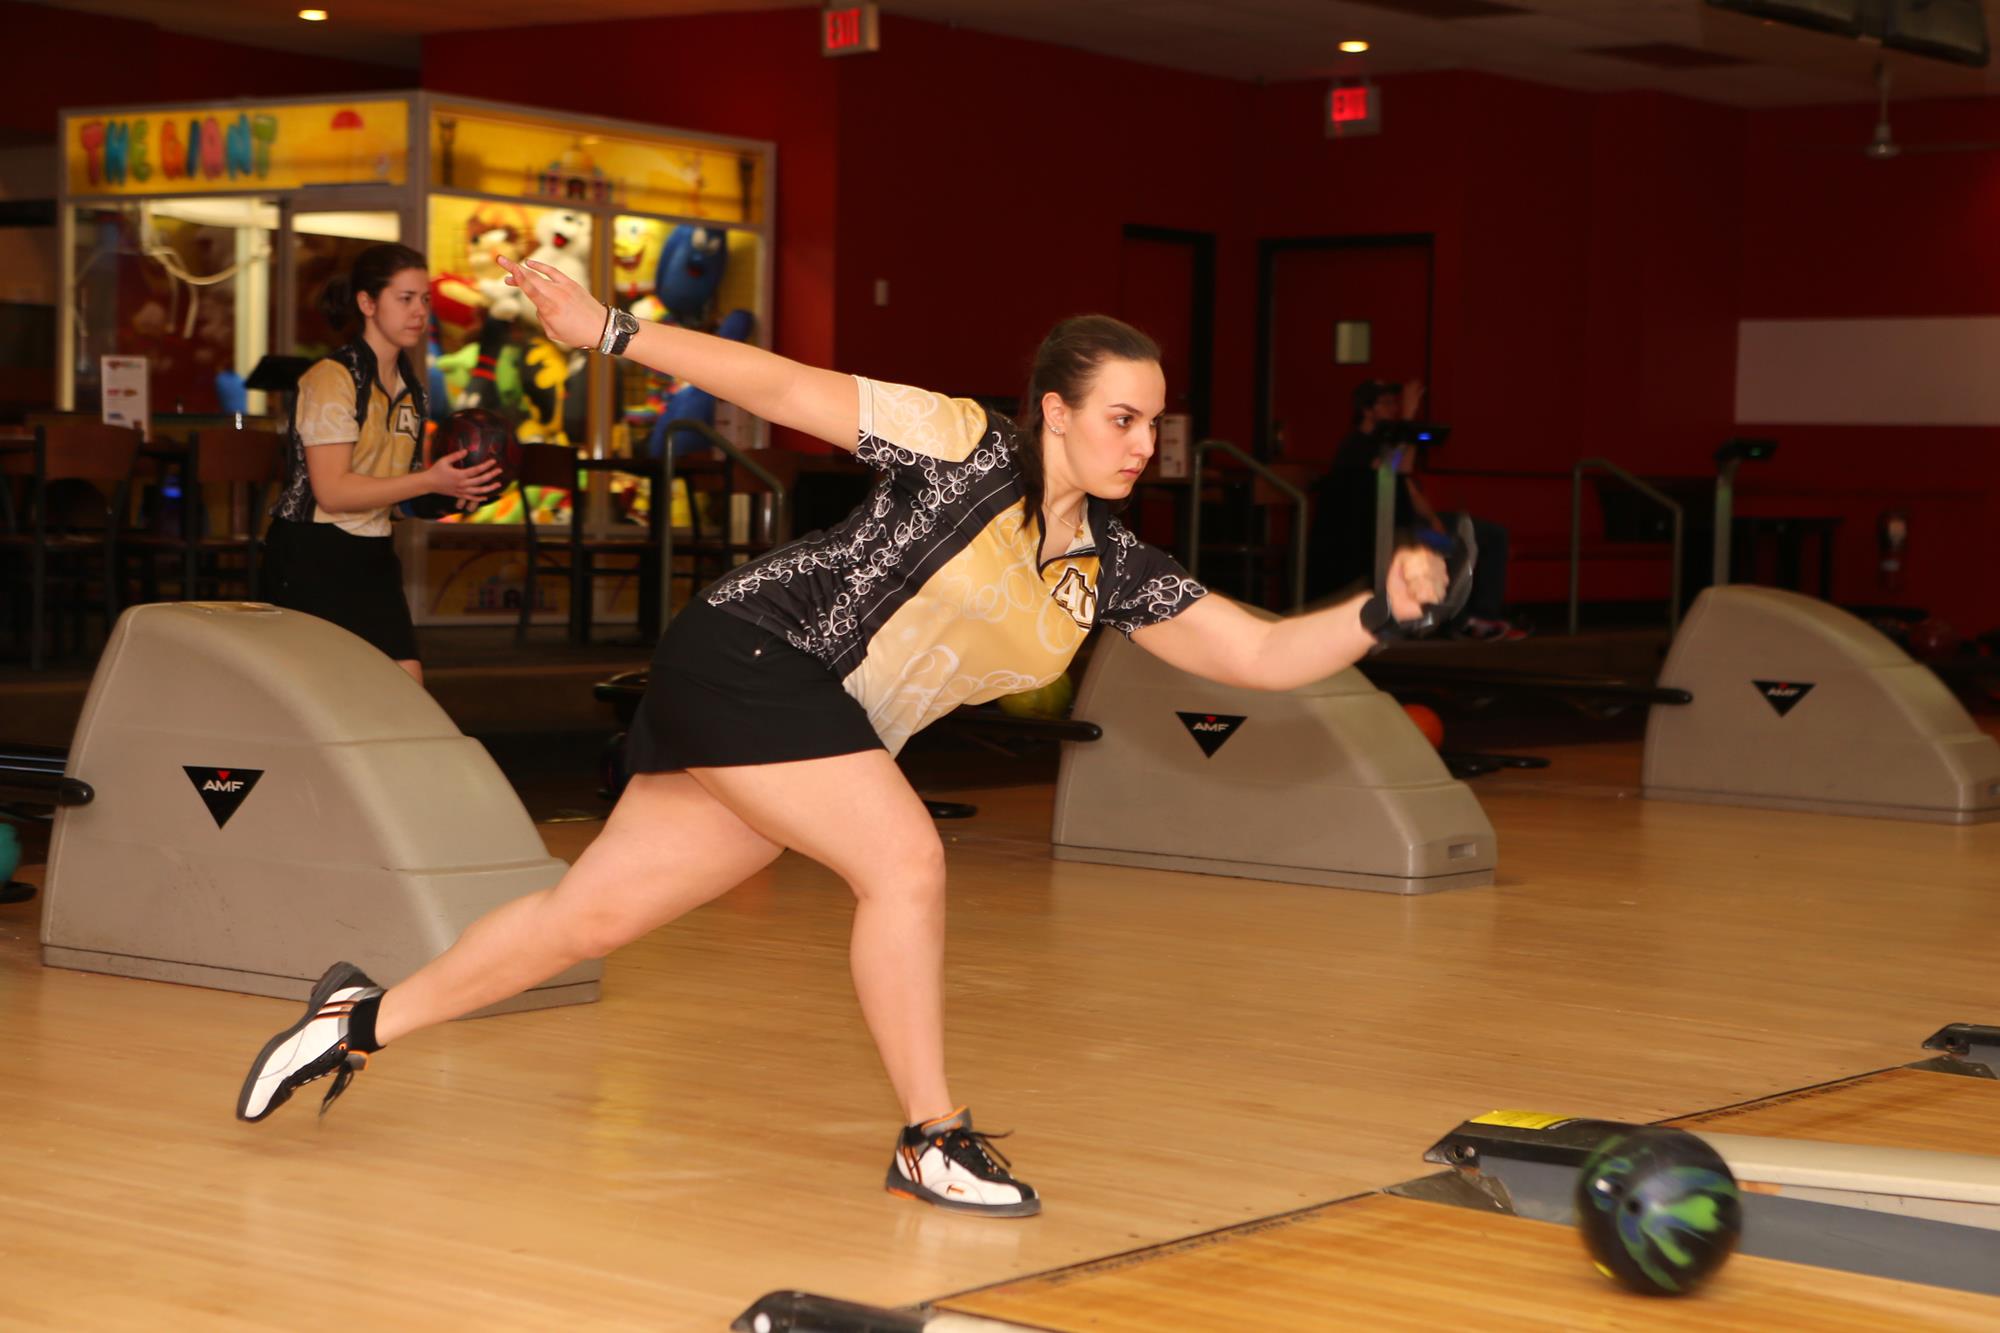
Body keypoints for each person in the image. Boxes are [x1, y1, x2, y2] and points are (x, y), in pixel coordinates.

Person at [237, 256, 1466, 1219]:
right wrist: (612, 334)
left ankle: (354, 1021)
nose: (1145, 443)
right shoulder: (956, 442)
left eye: (1155, 424)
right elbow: (778, 385)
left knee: (586, 921)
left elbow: (1255, 655)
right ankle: (929, 1139)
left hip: (802, 723)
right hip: (752, 653)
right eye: (1123, 418)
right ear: (1054, 410)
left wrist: (1380, 611)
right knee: (903, 862)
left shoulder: (1110, 569)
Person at [264, 243, 503, 684]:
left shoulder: (413, 386)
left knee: (405, 685)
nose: (420, 312)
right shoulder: (331, 378)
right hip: (311, 553)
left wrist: (449, 492)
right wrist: (428, 479)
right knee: (320, 697)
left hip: (371, 553)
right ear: (367, 303)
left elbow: (394, 498)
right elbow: (333, 493)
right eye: (405, 299)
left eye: (425, 299)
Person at [1308, 379, 1520, 639]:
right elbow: (1391, 467)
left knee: (1488, 534)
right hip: (1381, 531)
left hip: (1410, 523)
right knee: (1451, 544)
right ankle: (1450, 621)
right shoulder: (1355, 445)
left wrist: (1431, 518)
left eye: (1395, 404)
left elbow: (1405, 477)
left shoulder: (1392, 438)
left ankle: (1482, 617)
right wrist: (1408, 419)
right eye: (1386, 404)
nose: (1393, 410)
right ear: (1366, 410)